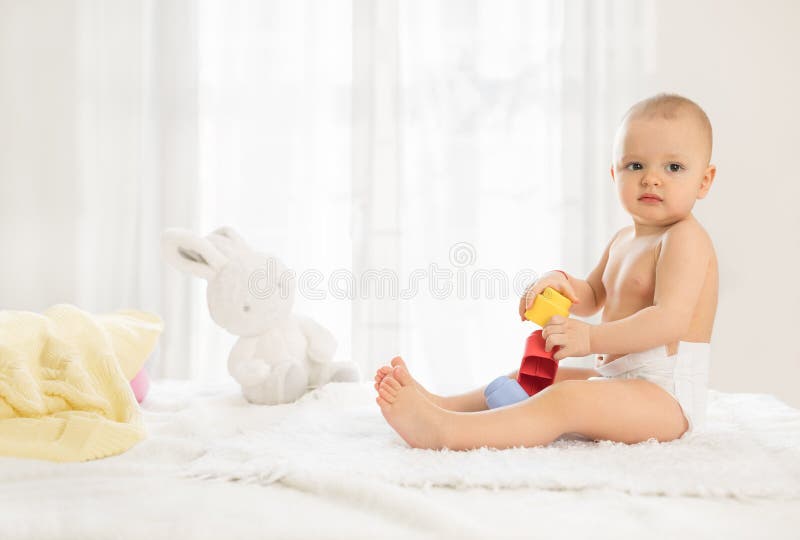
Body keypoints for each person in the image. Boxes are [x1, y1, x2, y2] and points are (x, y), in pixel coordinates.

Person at [373, 93, 718, 450]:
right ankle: (444, 407)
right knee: (531, 379)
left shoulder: (684, 238)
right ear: (614, 174)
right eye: (636, 166)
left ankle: (446, 432)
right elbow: (594, 294)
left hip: (666, 397)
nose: (651, 179)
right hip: (621, 380)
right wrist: (560, 283)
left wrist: (590, 339)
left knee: (566, 400)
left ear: (704, 180)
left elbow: (669, 320)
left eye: (673, 167)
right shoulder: (624, 239)